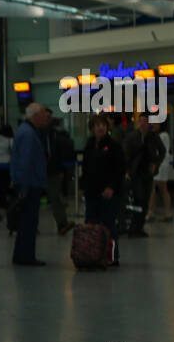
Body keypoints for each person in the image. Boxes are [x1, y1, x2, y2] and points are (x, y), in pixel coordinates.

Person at [10, 102, 51, 265]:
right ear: (35, 116)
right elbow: (26, 161)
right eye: (42, 115)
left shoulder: (24, 131)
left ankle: (20, 255)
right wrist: (25, 187)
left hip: (26, 183)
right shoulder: (29, 134)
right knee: (29, 222)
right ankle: (26, 256)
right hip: (30, 184)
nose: (45, 118)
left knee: (24, 222)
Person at [81, 114, 125, 267]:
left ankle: (112, 256)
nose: (100, 128)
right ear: (92, 128)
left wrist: (112, 187)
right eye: (97, 125)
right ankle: (91, 254)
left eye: (103, 125)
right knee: (90, 224)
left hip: (108, 193)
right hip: (92, 192)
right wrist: (83, 186)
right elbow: (85, 168)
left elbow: (119, 170)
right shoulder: (89, 145)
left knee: (109, 225)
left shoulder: (113, 146)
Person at [122, 113, 164, 238]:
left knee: (145, 199)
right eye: (140, 121)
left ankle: (139, 227)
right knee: (138, 198)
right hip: (136, 172)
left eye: (145, 121)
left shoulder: (153, 137)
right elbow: (125, 155)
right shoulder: (131, 137)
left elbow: (162, 150)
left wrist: (156, 164)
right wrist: (127, 171)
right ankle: (133, 227)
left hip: (147, 172)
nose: (143, 124)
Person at [43, 114, 75, 235]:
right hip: (40, 170)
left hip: (52, 170)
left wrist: (60, 169)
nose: (48, 119)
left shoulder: (53, 134)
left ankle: (62, 224)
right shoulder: (37, 132)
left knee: (56, 197)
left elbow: (57, 153)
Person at [148, 121, 174, 222]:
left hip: (160, 165)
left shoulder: (163, 135)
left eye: (155, 123)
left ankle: (152, 212)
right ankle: (165, 212)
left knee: (157, 188)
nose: (153, 125)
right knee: (161, 189)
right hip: (160, 164)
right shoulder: (160, 135)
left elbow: (159, 151)